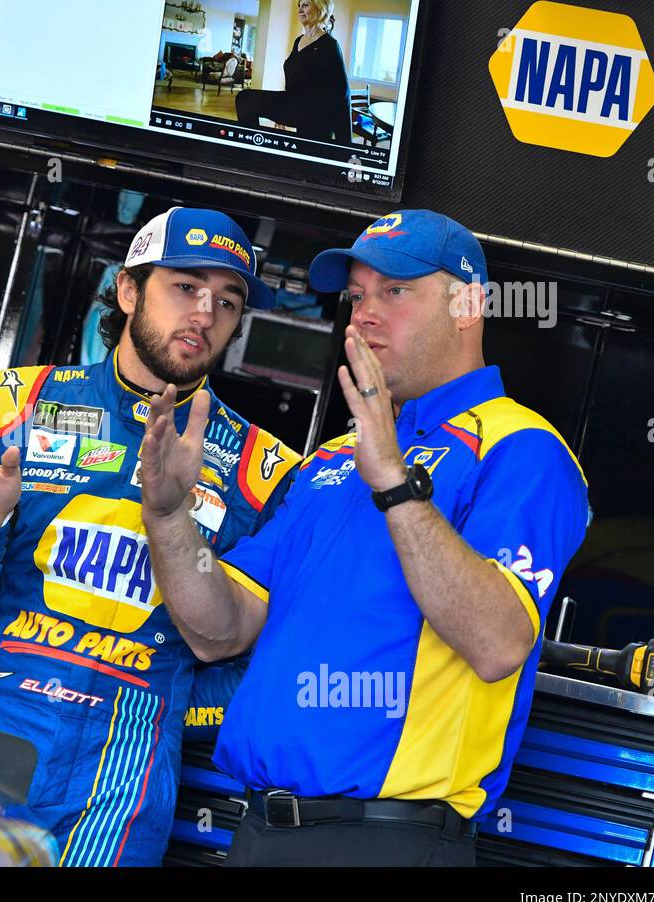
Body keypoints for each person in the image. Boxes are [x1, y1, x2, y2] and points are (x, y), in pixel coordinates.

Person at [139, 209, 590, 866]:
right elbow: (220, 630)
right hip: (262, 830)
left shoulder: (523, 450)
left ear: (468, 303)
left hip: (388, 840)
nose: (365, 315)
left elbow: (498, 644)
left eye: (395, 291)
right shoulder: (333, 458)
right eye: (356, 295)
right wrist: (168, 518)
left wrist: (394, 483)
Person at [0, 206, 301, 866]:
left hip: (124, 778)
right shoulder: (19, 405)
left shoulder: (264, 470)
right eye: (186, 287)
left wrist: (161, 707)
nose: (205, 314)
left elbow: (262, 663)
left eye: (227, 302)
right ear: (127, 290)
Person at [235, 0, 351, 144]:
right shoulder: (299, 41)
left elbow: (343, 93)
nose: (300, 10)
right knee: (245, 99)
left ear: (320, 9)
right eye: (299, 6)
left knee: (306, 159)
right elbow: (293, 79)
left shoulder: (330, 45)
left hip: (316, 113)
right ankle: (253, 147)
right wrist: (280, 115)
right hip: (294, 104)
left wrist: (346, 146)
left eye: (306, 5)